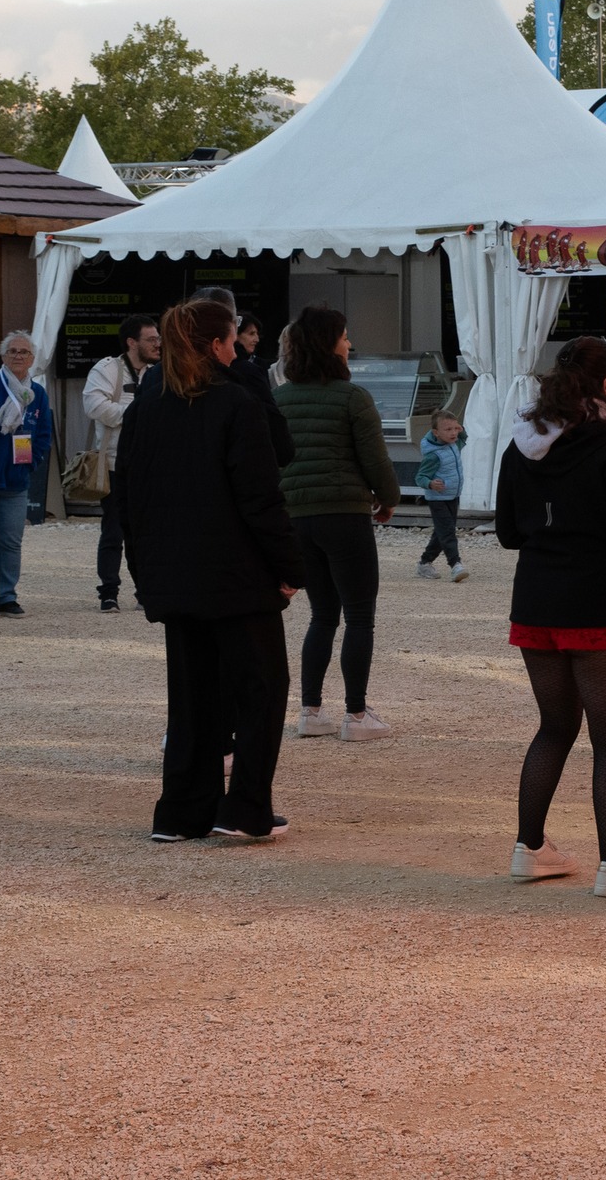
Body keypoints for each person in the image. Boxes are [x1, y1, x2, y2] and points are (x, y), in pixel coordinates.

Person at [120, 298, 304, 843]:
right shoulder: (234, 404)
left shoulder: (145, 409)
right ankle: (244, 808)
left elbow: (127, 500)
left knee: (193, 695)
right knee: (260, 691)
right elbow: (260, 498)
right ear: (214, 346)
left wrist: (145, 571)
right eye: (229, 340)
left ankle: (182, 808)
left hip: (177, 574)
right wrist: (290, 566)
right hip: (236, 576)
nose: (235, 348)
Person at [496, 336, 606, 896]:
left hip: (537, 598)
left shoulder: (521, 445)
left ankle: (530, 847)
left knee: (554, 725)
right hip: (596, 599)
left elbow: (506, 532)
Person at [274, 304, 402, 740]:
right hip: (344, 514)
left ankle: (310, 711)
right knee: (360, 615)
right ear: (330, 344)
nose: (349, 344)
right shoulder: (353, 397)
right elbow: (375, 460)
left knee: (321, 615)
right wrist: (388, 499)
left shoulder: (279, 398)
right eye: (344, 336)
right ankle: (357, 715)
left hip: (297, 517)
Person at [136, 286, 295, 466]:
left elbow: (130, 455)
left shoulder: (155, 376)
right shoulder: (244, 379)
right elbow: (280, 448)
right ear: (226, 330)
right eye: (236, 323)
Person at [0, 332, 51, 619]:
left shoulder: (37, 393)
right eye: (12, 351)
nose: (18, 356)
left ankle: (6, 596)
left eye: (24, 352)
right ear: (3, 356)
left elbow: (43, 435)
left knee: (10, 540)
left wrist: (31, 463)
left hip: (16, 479)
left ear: (32, 359)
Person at [83, 314, 161, 612]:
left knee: (145, 532)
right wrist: (136, 416)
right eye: (151, 339)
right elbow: (93, 405)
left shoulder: (159, 372)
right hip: (115, 464)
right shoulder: (107, 369)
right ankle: (109, 592)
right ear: (132, 342)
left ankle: (145, 591)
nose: (158, 344)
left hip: (149, 466)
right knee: (113, 530)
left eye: (158, 339)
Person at [414, 409, 468, 583]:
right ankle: (455, 564)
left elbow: (463, 438)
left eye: (455, 428)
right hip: (437, 499)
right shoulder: (433, 455)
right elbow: (419, 477)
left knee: (442, 532)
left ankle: (424, 562)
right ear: (435, 433)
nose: (453, 432)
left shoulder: (455, 443)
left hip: (453, 495)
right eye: (448, 429)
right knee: (447, 532)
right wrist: (430, 484)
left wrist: (462, 429)